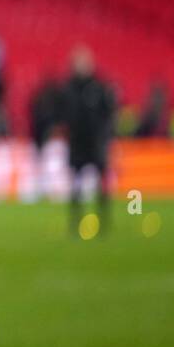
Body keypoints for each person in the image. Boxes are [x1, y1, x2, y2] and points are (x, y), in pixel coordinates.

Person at [60, 45, 116, 236]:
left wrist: (105, 134)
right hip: (77, 142)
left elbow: (109, 112)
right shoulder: (68, 88)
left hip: (96, 141)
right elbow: (63, 114)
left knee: (102, 180)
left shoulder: (99, 87)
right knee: (76, 182)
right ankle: (76, 221)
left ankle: (103, 220)